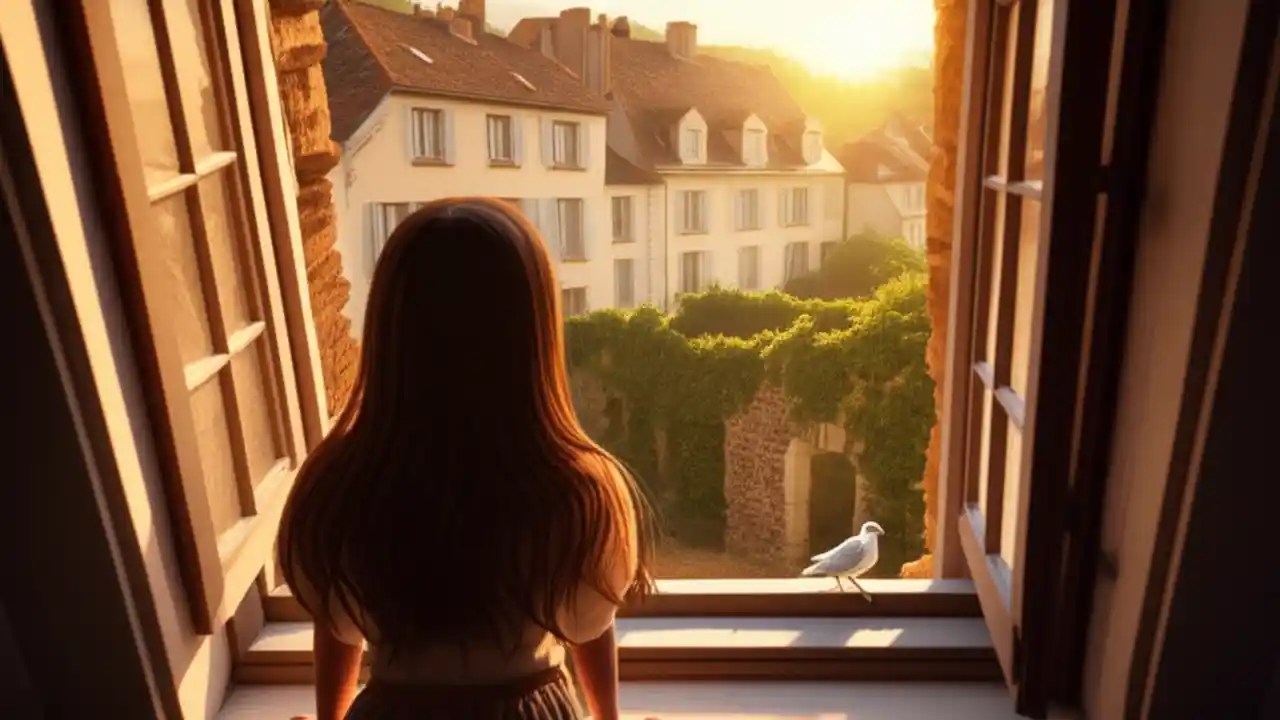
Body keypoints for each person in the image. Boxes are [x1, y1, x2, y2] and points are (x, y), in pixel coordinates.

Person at [278, 197, 654, 719]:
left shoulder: (339, 485)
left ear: (388, 324)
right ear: (535, 333)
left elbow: (336, 625)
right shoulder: (581, 489)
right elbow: (591, 623)